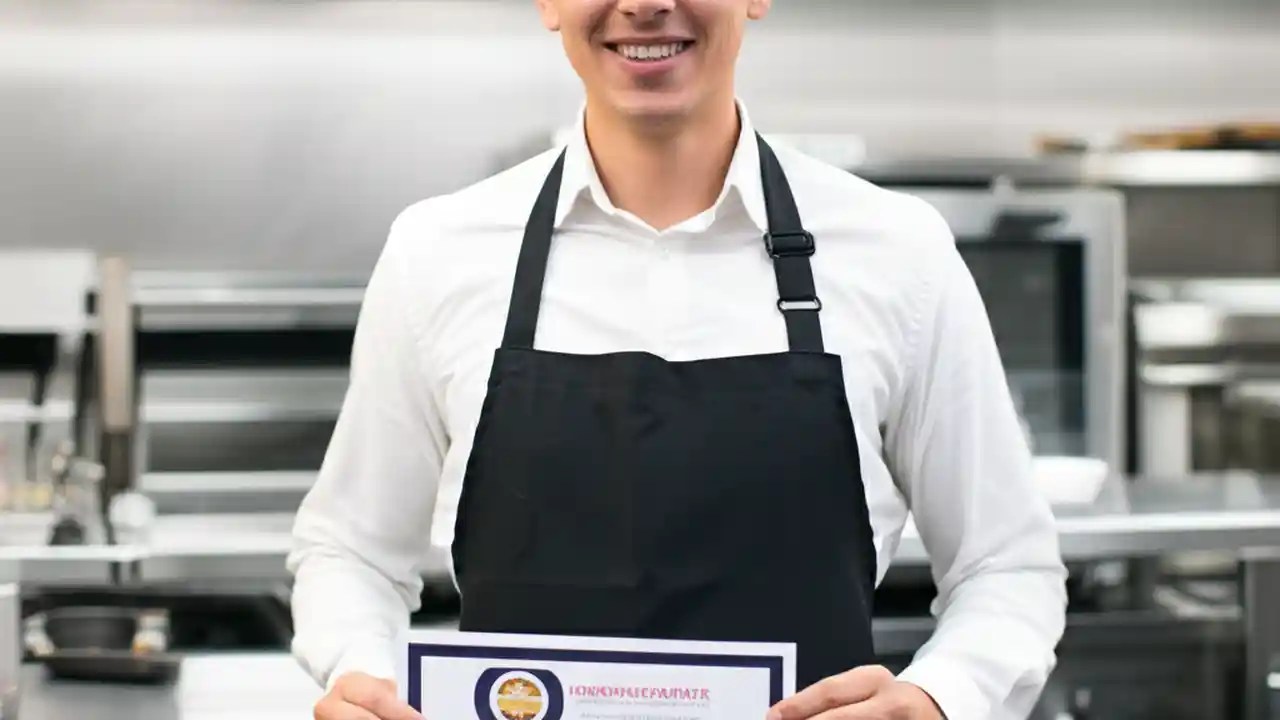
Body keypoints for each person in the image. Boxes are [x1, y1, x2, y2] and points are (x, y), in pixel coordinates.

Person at [288, 0, 1068, 718]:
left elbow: (1006, 565)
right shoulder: (438, 252)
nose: (646, 3)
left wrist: (940, 698)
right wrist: (362, 675)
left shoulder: (899, 251)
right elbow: (351, 550)